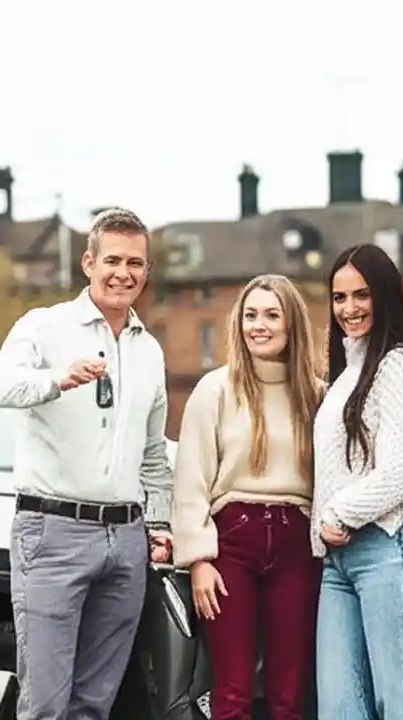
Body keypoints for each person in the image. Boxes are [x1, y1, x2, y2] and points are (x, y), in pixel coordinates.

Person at [0, 206, 174, 720]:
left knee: (94, 706)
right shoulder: (43, 326)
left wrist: (158, 524)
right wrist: (58, 379)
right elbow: (0, 386)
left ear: (147, 271)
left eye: (135, 263)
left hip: (126, 543)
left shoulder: (149, 351)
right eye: (112, 260)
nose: (124, 273)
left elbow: (153, 453)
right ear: (88, 263)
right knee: (45, 706)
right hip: (52, 534)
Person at [170, 274, 325, 720]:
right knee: (231, 690)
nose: (259, 325)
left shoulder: (316, 395)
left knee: (289, 694)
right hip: (231, 545)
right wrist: (198, 560)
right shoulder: (215, 390)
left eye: (272, 315)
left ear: (291, 324)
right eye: (250, 315)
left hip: (298, 545)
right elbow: (191, 478)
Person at [311, 242, 403, 719]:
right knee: (339, 710)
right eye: (339, 297)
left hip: (389, 550)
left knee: (400, 707)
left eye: (361, 294)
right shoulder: (346, 375)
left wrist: (340, 513)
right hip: (338, 563)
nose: (349, 308)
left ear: (383, 295)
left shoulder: (397, 364)